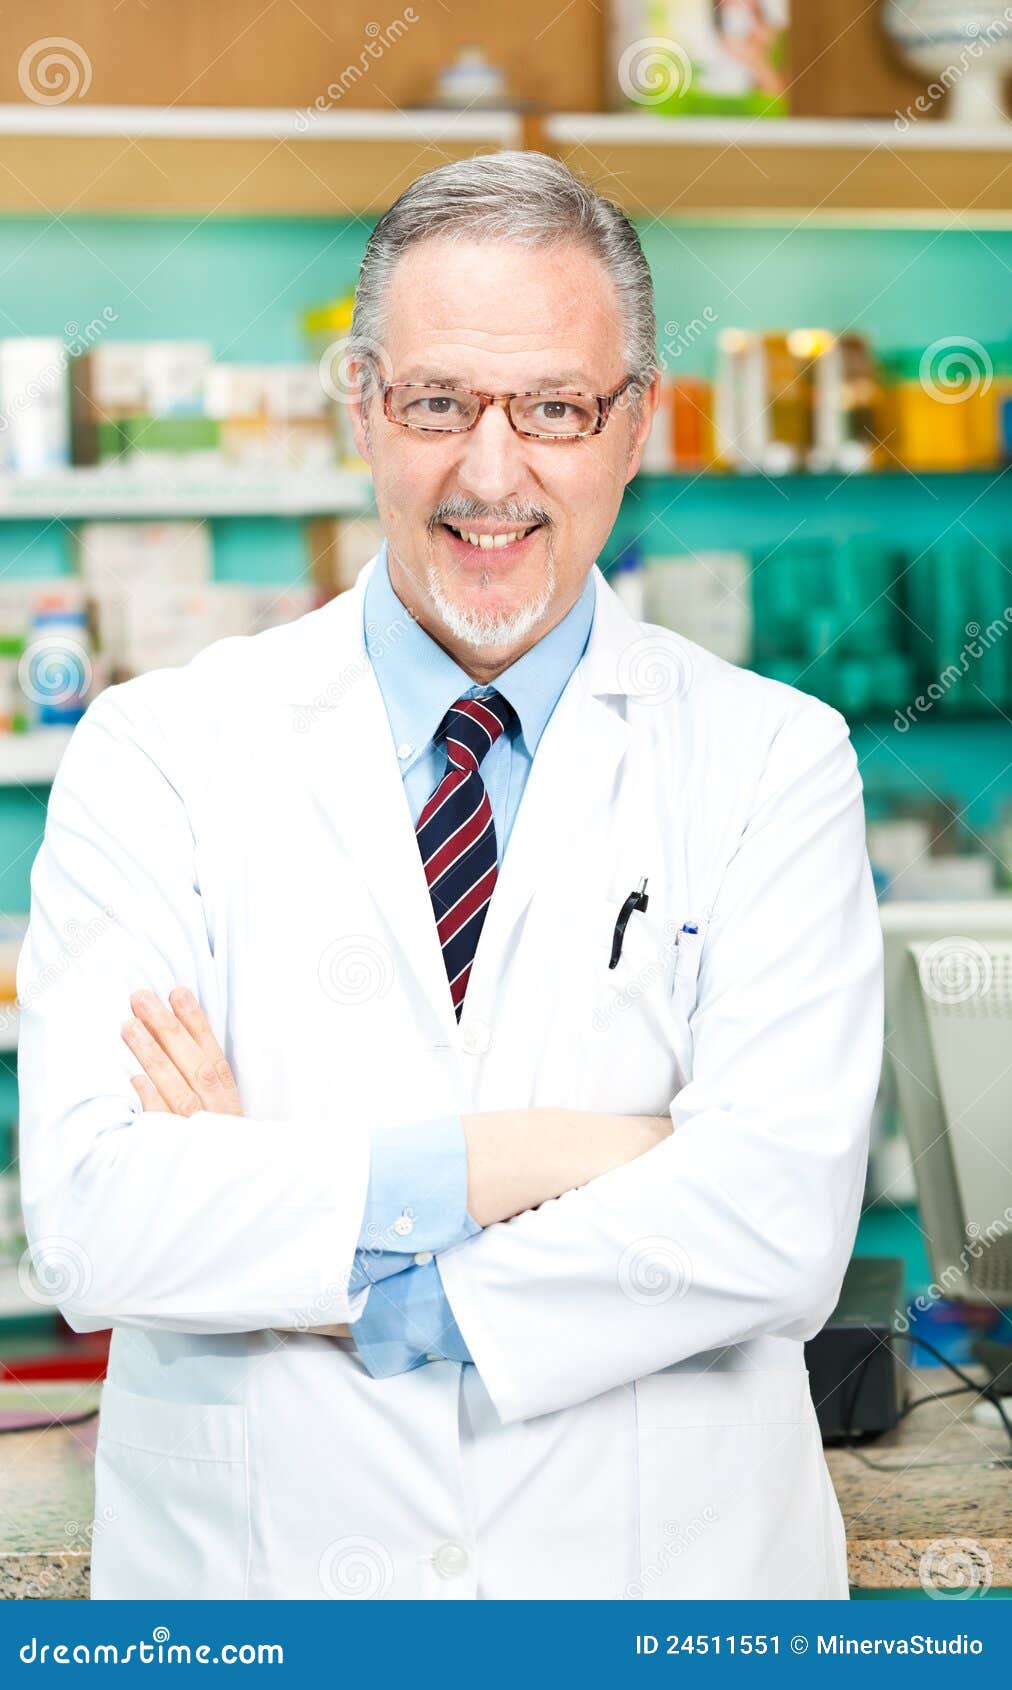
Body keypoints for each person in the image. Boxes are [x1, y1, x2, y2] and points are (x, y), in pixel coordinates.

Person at [17, 152, 882, 1601]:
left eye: (552, 407)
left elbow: (775, 1222)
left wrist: (328, 1252)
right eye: (438, 403)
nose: (493, 471)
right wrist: (570, 1150)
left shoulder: (774, 762)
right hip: (269, 1597)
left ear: (635, 423)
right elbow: (102, 1217)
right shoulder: (158, 749)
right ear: (361, 406)